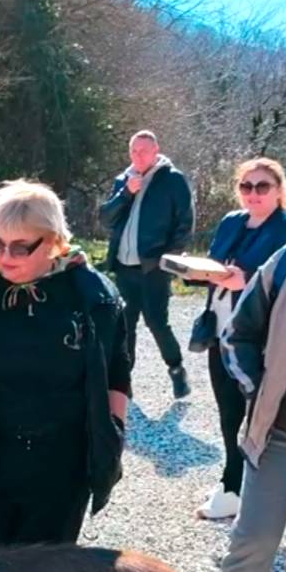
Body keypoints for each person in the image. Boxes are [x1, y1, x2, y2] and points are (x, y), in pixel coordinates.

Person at [0, 178, 130, 548]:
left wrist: (113, 428)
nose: (3, 257)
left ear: (54, 241)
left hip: (61, 470)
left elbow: (116, 371)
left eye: (20, 247)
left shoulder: (95, 297)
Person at [186, 236, 286, 572]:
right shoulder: (285, 260)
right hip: (280, 435)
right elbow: (238, 333)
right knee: (252, 542)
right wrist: (257, 390)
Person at [194, 157, 286, 521]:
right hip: (222, 329)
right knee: (227, 414)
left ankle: (247, 487)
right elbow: (216, 263)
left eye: (262, 186)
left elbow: (282, 286)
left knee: (258, 415)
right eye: (246, 187)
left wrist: (245, 279)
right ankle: (232, 484)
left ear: (279, 190)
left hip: (261, 338)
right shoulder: (231, 222)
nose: (253, 194)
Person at [99, 130, 194, 398]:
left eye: (143, 150)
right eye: (134, 151)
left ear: (156, 151)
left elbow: (185, 224)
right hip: (124, 266)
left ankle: (176, 369)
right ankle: (123, 382)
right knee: (125, 325)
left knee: (156, 322)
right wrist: (126, 194)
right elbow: (106, 219)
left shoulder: (173, 180)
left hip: (154, 267)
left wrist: (168, 258)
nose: (138, 156)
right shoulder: (123, 179)